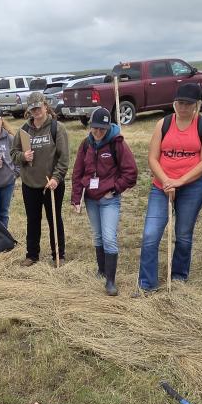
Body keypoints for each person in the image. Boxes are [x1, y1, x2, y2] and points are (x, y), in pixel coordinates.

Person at [136, 83, 202, 294]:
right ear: (174, 103)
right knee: (150, 234)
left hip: (192, 188)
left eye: (188, 104)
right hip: (160, 186)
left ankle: (178, 278)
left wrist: (180, 181)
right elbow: (152, 158)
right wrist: (166, 181)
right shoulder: (164, 123)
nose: (183, 107)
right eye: (180, 103)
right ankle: (147, 284)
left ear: (197, 105)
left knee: (183, 234)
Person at [70, 107, 137, 296]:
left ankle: (111, 281)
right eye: (95, 128)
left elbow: (131, 173)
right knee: (98, 236)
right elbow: (78, 173)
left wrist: (114, 189)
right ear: (90, 126)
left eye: (102, 129)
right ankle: (101, 270)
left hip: (109, 200)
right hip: (91, 199)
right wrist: (76, 198)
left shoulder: (118, 144)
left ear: (108, 127)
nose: (98, 132)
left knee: (109, 237)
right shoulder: (86, 145)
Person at [12, 92, 69, 266]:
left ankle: (58, 255)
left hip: (51, 184)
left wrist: (56, 178)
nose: (36, 111)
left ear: (45, 106)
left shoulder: (57, 128)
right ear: (29, 110)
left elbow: (63, 158)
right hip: (30, 184)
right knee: (33, 219)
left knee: (54, 219)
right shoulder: (23, 131)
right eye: (33, 108)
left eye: (39, 107)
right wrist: (23, 156)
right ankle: (32, 255)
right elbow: (13, 154)